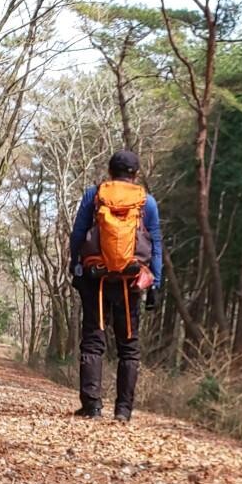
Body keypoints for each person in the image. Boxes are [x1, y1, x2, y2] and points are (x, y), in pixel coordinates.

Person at [69, 149, 163, 422]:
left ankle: (92, 406)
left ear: (110, 171)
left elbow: (78, 234)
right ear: (136, 174)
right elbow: (156, 243)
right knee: (129, 345)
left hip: (96, 276)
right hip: (130, 279)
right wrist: (155, 283)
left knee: (93, 341)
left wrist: (75, 266)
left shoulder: (95, 195)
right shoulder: (147, 202)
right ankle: (123, 411)